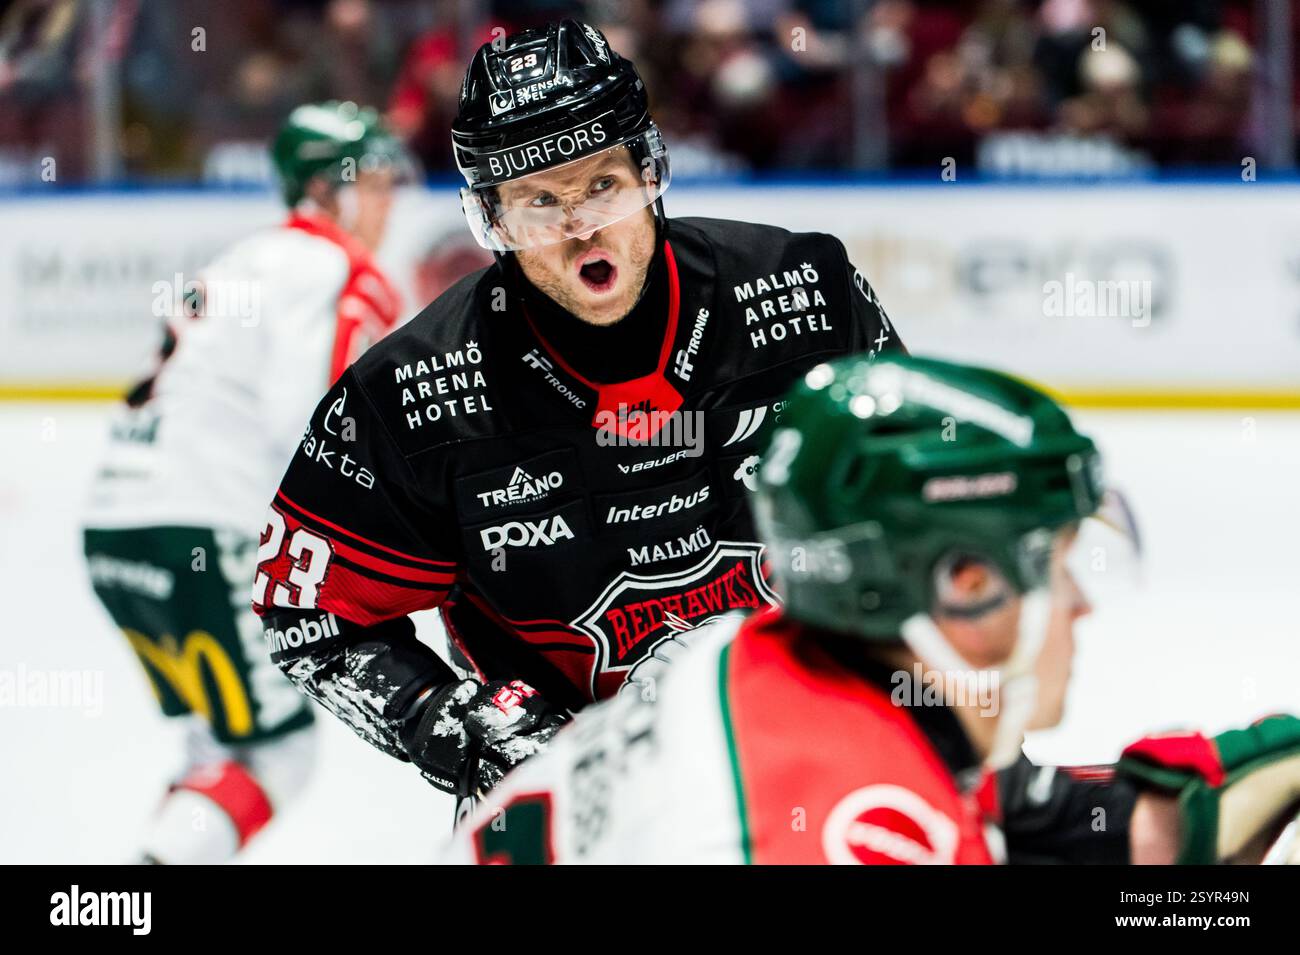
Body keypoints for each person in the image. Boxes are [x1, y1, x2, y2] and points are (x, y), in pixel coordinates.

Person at [252, 19, 900, 801]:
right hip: (574, 792)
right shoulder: (415, 390)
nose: (581, 225)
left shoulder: (802, 292)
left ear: (649, 170)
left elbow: (913, 492)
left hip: (804, 752)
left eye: (603, 183)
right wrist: (450, 719)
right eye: (537, 202)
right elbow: (306, 606)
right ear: (491, 220)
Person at [442, 353, 1300, 865]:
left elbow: (1060, 824)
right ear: (963, 584)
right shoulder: (837, 823)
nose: (1081, 609)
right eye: (1060, 567)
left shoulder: (760, 658)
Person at [83, 101, 408, 863]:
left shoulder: (245, 257)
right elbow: (313, 419)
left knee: (220, 742)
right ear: (330, 190)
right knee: (277, 753)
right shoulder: (338, 266)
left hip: (116, 526)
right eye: (379, 181)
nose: (392, 200)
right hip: (200, 525)